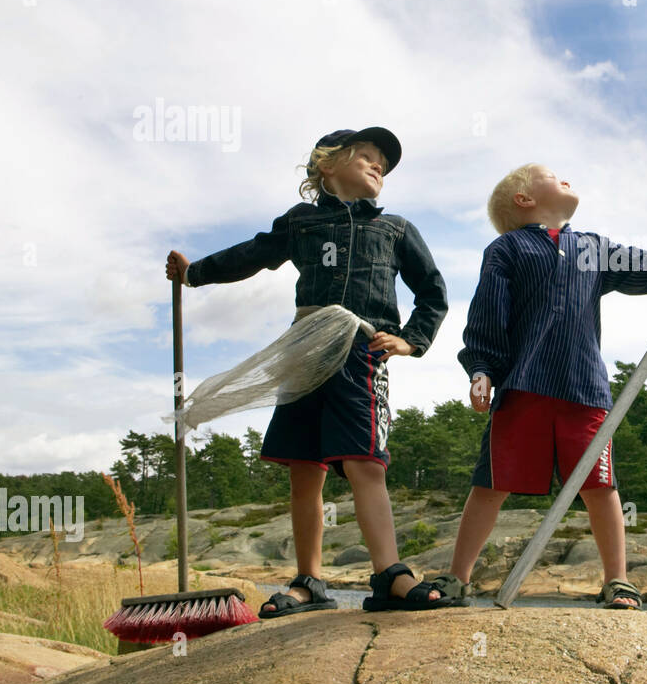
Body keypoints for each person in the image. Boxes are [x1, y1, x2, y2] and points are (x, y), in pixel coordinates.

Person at [417, 163, 647, 609]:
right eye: (551, 176)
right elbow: (487, 314)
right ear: (525, 200)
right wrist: (481, 368)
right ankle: (457, 577)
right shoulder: (506, 249)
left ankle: (617, 580)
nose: (565, 178)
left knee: (600, 485)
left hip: (584, 388)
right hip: (523, 385)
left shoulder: (592, 248)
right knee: (491, 482)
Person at [165, 128, 451, 614]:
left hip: (361, 350)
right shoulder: (300, 221)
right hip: (305, 350)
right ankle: (310, 583)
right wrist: (195, 273)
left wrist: (411, 339)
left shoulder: (396, 229)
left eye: (383, 162)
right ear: (327, 165)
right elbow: (252, 254)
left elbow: (433, 290)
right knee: (304, 468)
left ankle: (389, 575)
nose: (378, 165)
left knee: (364, 460)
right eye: (367, 155)